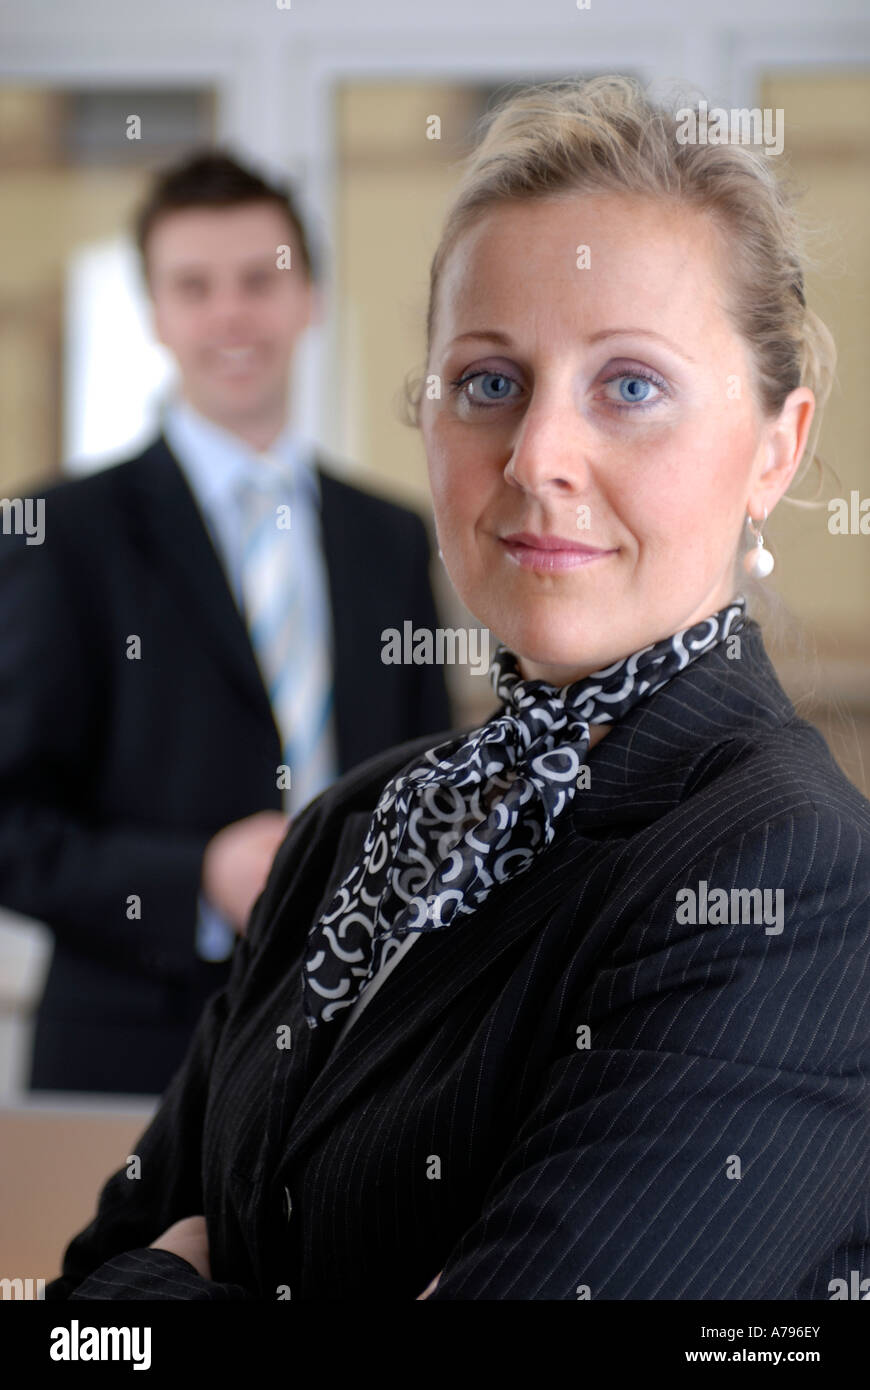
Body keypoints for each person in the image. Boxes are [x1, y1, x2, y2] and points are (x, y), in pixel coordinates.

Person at [46, 74, 869, 1301]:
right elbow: (80, 1303)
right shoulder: (352, 830)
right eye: (489, 383)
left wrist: (172, 1287)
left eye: (630, 385)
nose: (538, 458)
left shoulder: (789, 873)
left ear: (776, 447)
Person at [0, 151, 451, 1096]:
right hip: (133, 1059)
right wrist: (197, 879)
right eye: (194, 287)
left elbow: (431, 779)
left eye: (261, 280)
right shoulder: (62, 537)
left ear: (311, 299)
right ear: (157, 315)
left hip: (359, 1053)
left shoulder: (393, 537)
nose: (231, 314)